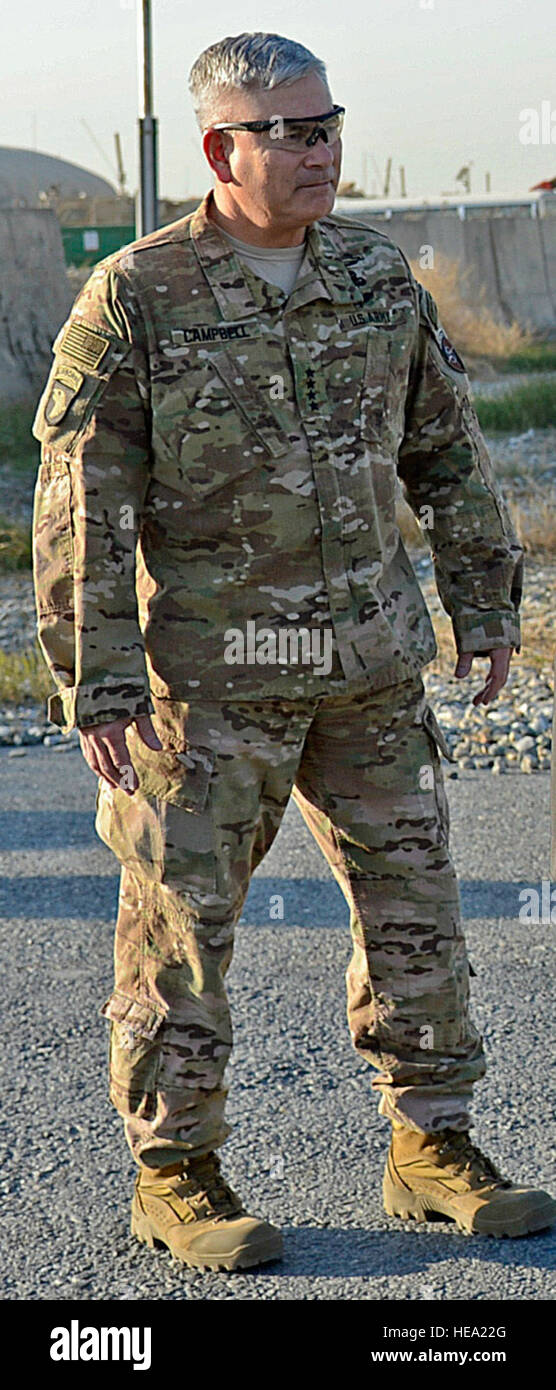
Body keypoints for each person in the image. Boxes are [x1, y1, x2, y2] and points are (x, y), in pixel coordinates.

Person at [31, 31, 555, 1273]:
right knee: (181, 929)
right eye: (290, 130)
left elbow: (443, 449)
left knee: (418, 912)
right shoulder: (138, 295)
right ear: (220, 149)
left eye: (326, 124)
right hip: (209, 686)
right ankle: (177, 1171)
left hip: (369, 666)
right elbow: (82, 499)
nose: (321, 149)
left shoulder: (377, 280)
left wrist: (486, 603)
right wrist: (94, 674)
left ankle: (431, 1145)